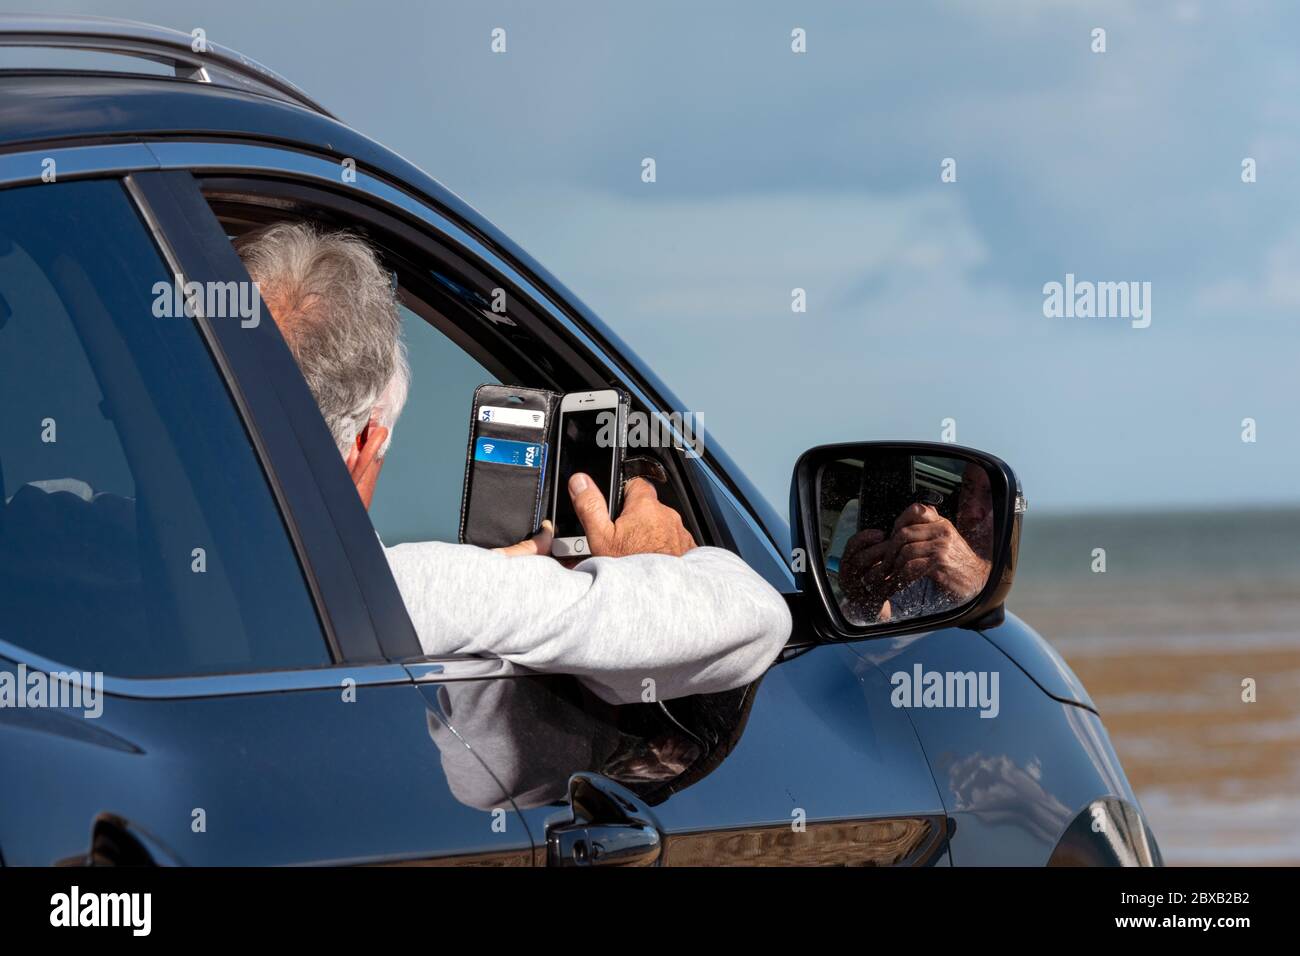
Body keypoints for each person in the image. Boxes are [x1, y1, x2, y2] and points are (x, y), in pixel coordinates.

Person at [236, 222, 791, 705]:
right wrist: (643, 563)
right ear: (366, 443)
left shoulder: (171, 587)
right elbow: (758, 617)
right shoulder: (408, 594)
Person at [838, 462, 993, 623]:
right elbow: (889, 615)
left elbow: (999, 594)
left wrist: (976, 578)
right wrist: (863, 597)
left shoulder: (997, 581)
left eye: (990, 494)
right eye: (967, 486)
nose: (970, 512)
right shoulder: (930, 562)